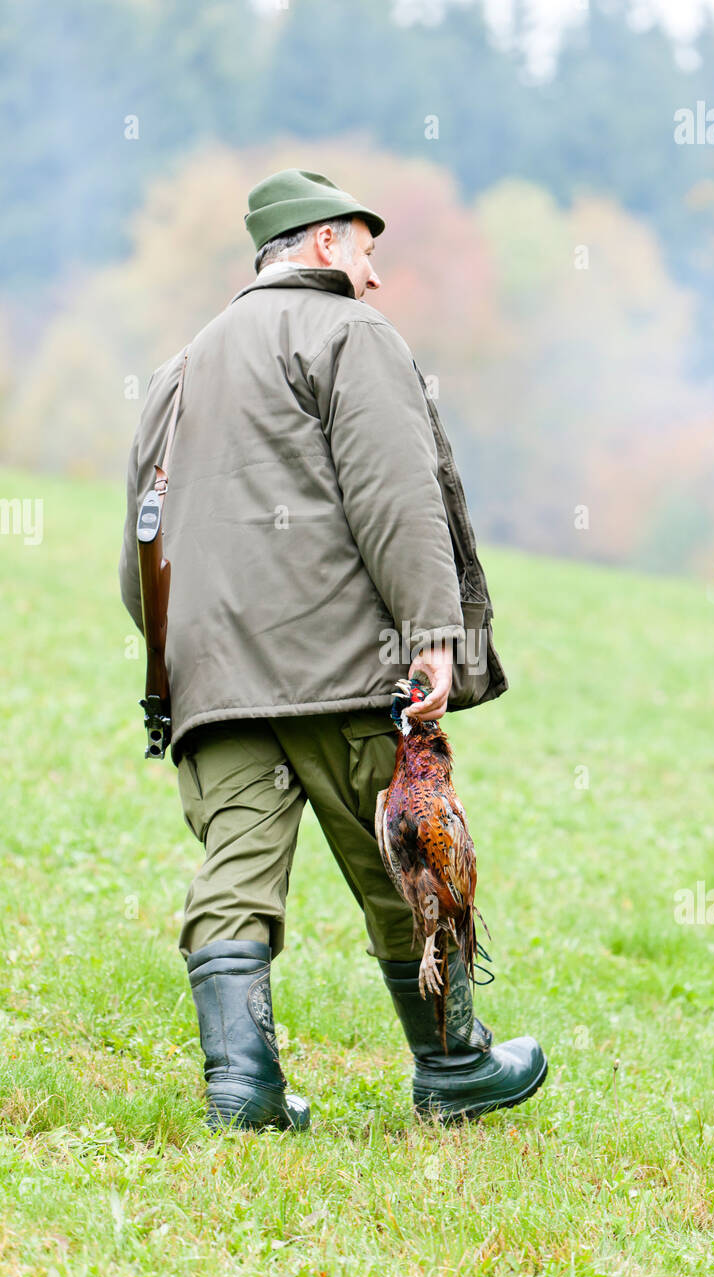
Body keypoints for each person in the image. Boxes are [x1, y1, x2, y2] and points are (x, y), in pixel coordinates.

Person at [118, 168, 547, 1131]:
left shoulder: (178, 371)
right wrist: (432, 633)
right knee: (402, 860)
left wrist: (179, 661)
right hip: (339, 674)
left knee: (234, 876)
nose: (376, 275)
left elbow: (141, 545)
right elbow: (396, 494)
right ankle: (454, 1066)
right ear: (320, 244)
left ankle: (244, 1090)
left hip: (209, 685)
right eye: (365, 249)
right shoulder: (350, 335)